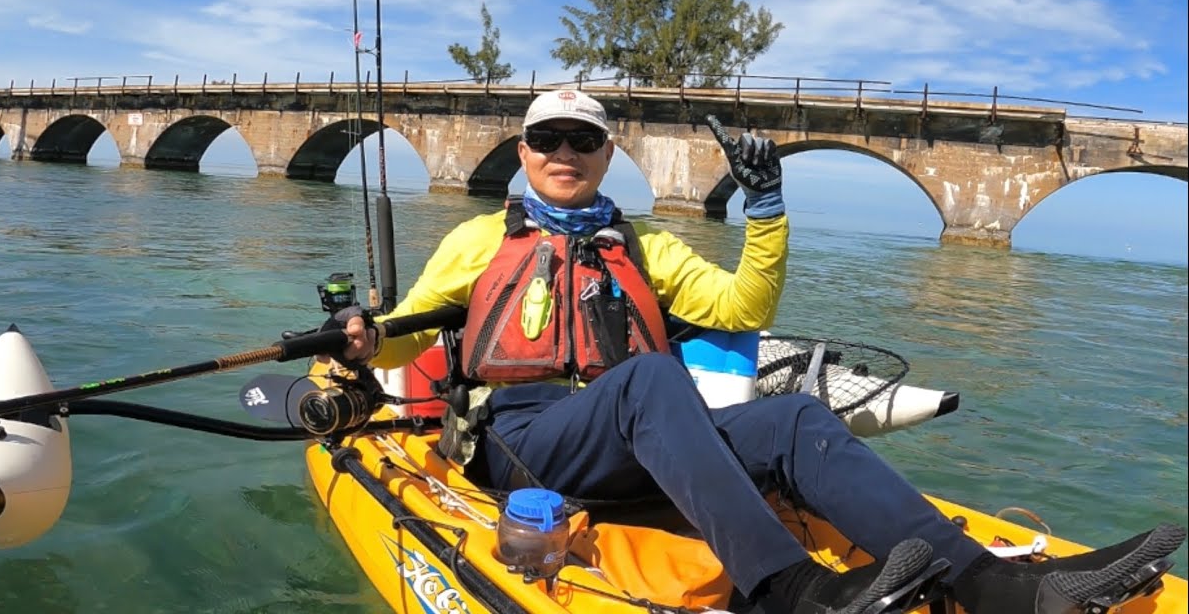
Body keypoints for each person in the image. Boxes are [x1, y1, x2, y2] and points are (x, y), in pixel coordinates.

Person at [337, 89, 1185, 614]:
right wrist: (357, 349)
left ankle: (998, 590)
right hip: (524, 445)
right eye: (547, 139)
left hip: (632, 432)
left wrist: (768, 208)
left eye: (582, 140)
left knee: (790, 421)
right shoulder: (478, 238)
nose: (564, 152)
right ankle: (787, 590)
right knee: (648, 381)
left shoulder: (648, 250)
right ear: (523, 154)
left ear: (605, 156)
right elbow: (410, 328)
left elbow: (744, 304)